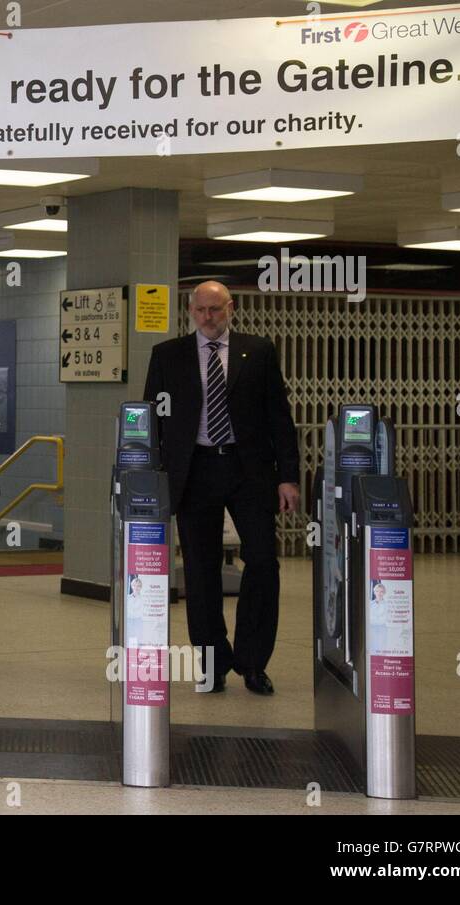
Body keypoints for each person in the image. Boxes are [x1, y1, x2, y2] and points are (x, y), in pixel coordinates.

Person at [142, 280, 300, 696]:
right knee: (200, 569)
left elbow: (278, 417)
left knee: (264, 563)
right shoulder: (167, 356)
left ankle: (252, 662)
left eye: (215, 310)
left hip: (249, 472)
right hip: (194, 472)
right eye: (200, 310)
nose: (207, 318)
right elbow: (152, 422)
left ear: (231, 308)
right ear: (189, 311)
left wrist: (288, 475)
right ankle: (212, 662)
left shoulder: (259, 350)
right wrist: (153, 476)